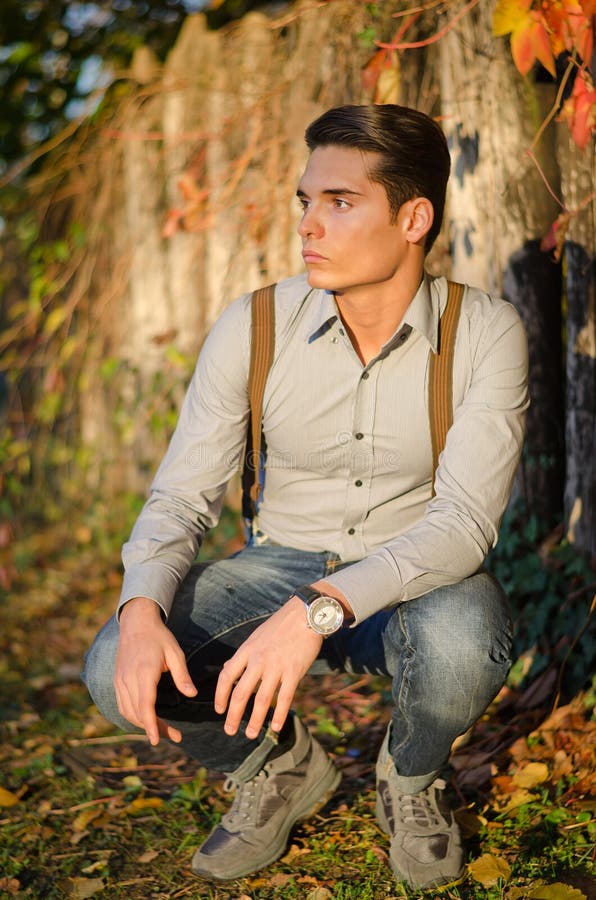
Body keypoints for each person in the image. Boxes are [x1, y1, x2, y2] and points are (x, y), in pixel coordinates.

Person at [83, 104, 528, 891]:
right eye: (306, 202)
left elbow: (462, 524)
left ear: (414, 217)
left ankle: (412, 777)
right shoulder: (255, 324)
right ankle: (279, 767)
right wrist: (141, 607)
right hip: (276, 561)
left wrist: (319, 608)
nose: (309, 226)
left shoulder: (485, 332)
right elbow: (182, 494)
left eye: (340, 202)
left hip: (413, 573)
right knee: (118, 660)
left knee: (467, 641)